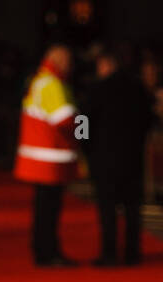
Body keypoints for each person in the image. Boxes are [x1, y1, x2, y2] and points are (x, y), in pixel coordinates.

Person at [82, 47, 153, 266]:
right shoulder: (138, 88)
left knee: (107, 208)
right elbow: (148, 120)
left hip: (103, 158)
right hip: (132, 156)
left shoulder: (96, 89)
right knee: (132, 207)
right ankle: (132, 252)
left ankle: (109, 252)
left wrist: (85, 148)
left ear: (106, 65)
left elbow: (83, 122)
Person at [13, 45, 79, 267]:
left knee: (45, 209)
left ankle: (45, 252)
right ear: (58, 60)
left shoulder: (44, 80)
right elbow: (66, 118)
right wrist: (86, 130)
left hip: (43, 159)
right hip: (50, 159)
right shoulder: (51, 83)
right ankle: (48, 254)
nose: (71, 65)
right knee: (48, 211)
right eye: (68, 60)